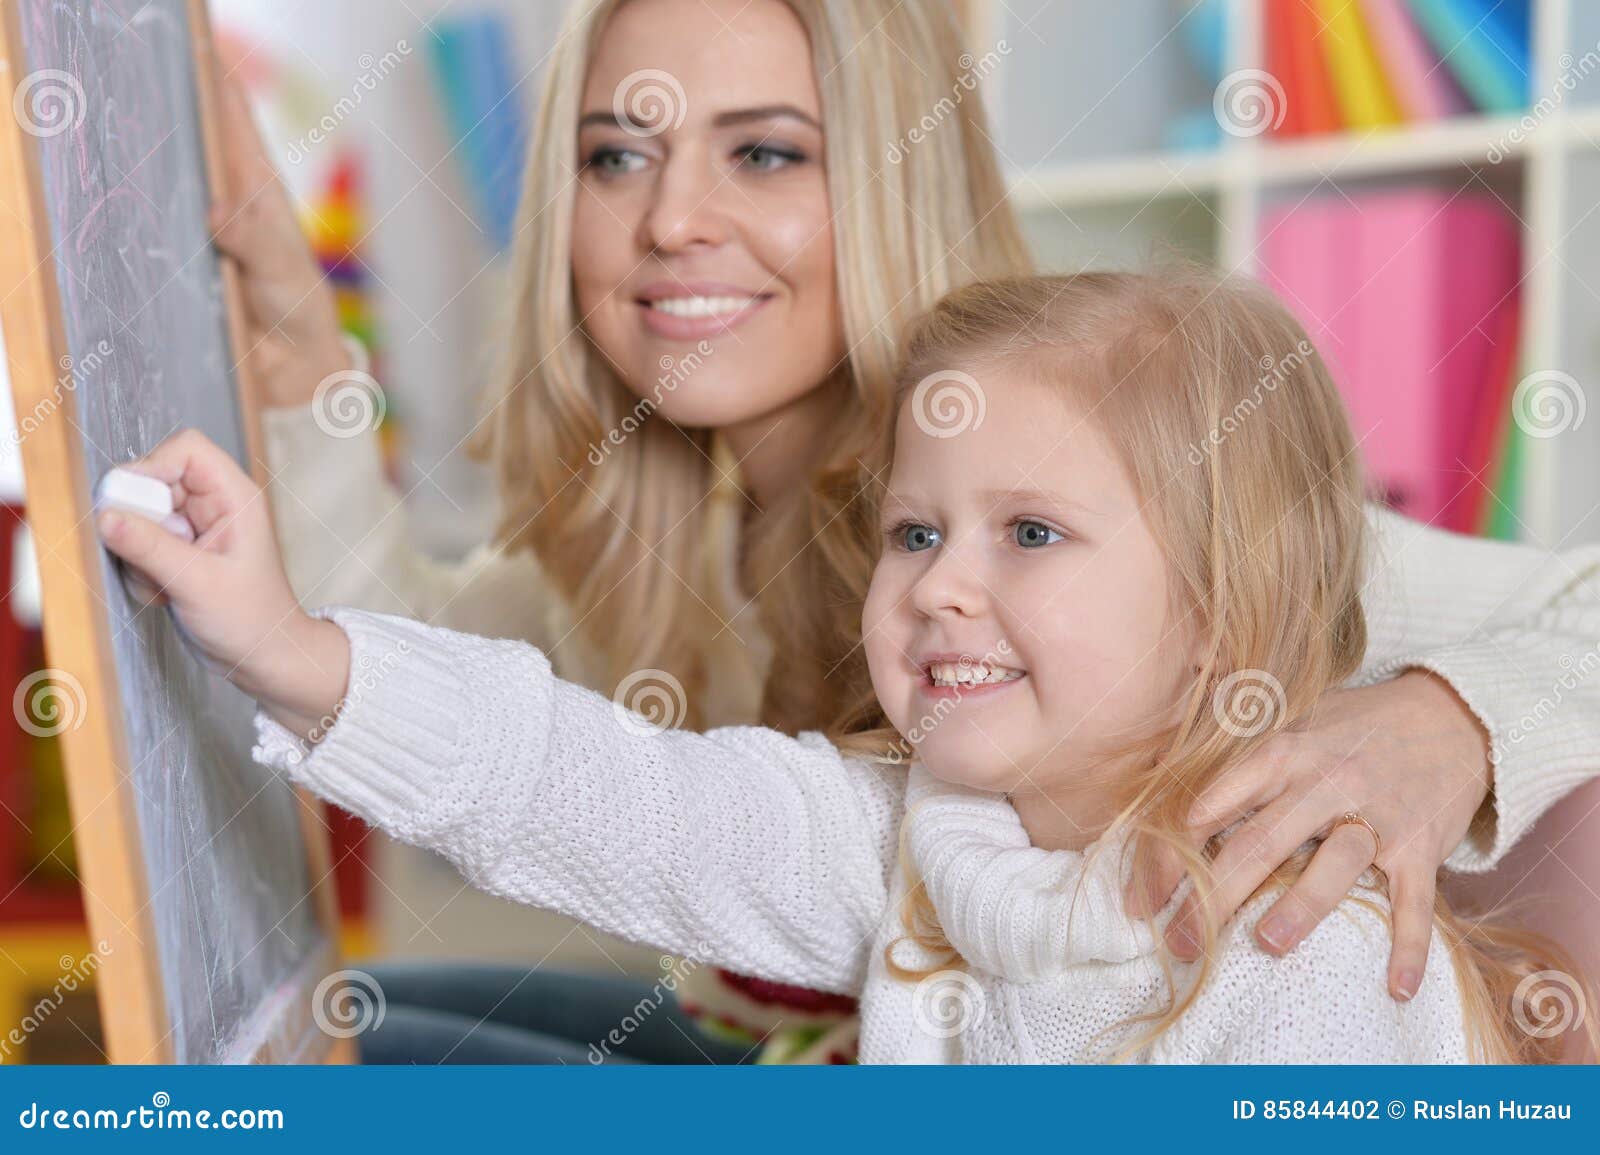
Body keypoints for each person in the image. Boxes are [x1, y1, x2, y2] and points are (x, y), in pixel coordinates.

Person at [210, 0, 1600, 1061]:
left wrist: (1452, 718)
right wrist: (303, 377)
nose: (672, 219)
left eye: (763, 153)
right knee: (323, 1023)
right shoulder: (677, 517)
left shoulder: (1127, 473)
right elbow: (471, 722)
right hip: (833, 1045)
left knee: (341, 1062)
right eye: (616, 156)